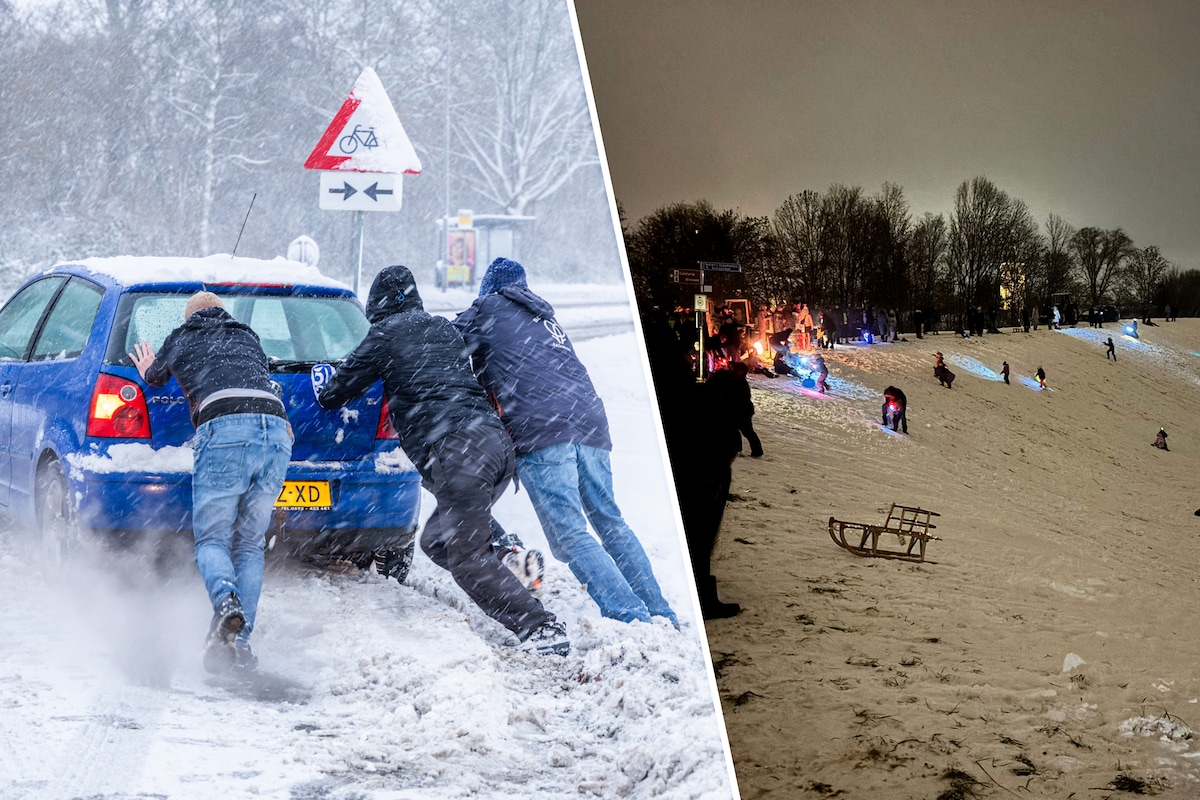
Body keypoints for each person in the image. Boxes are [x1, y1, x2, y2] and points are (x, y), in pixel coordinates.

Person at [316, 265, 569, 656]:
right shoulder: (444, 328)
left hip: (458, 450)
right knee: (437, 540)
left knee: (466, 560)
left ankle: (541, 628)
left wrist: (322, 379)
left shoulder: (383, 335)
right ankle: (507, 557)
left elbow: (336, 392)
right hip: (495, 446)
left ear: (377, 304)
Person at [454, 258, 679, 626]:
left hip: (541, 429)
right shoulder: (545, 317)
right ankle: (659, 610)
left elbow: (442, 340)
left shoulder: (489, 307)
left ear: (490, 288)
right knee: (610, 521)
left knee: (569, 534)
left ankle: (630, 616)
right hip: (589, 423)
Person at [130, 292, 293, 674]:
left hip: (224, 428)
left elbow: (154, 378)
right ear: (224, 313)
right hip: (276, 429)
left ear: (190, 317)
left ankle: (225, 602)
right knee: (251, 544)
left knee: (213, 539)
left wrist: (149, 366)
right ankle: (240, 644)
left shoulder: (182, 336)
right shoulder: (248, 335)